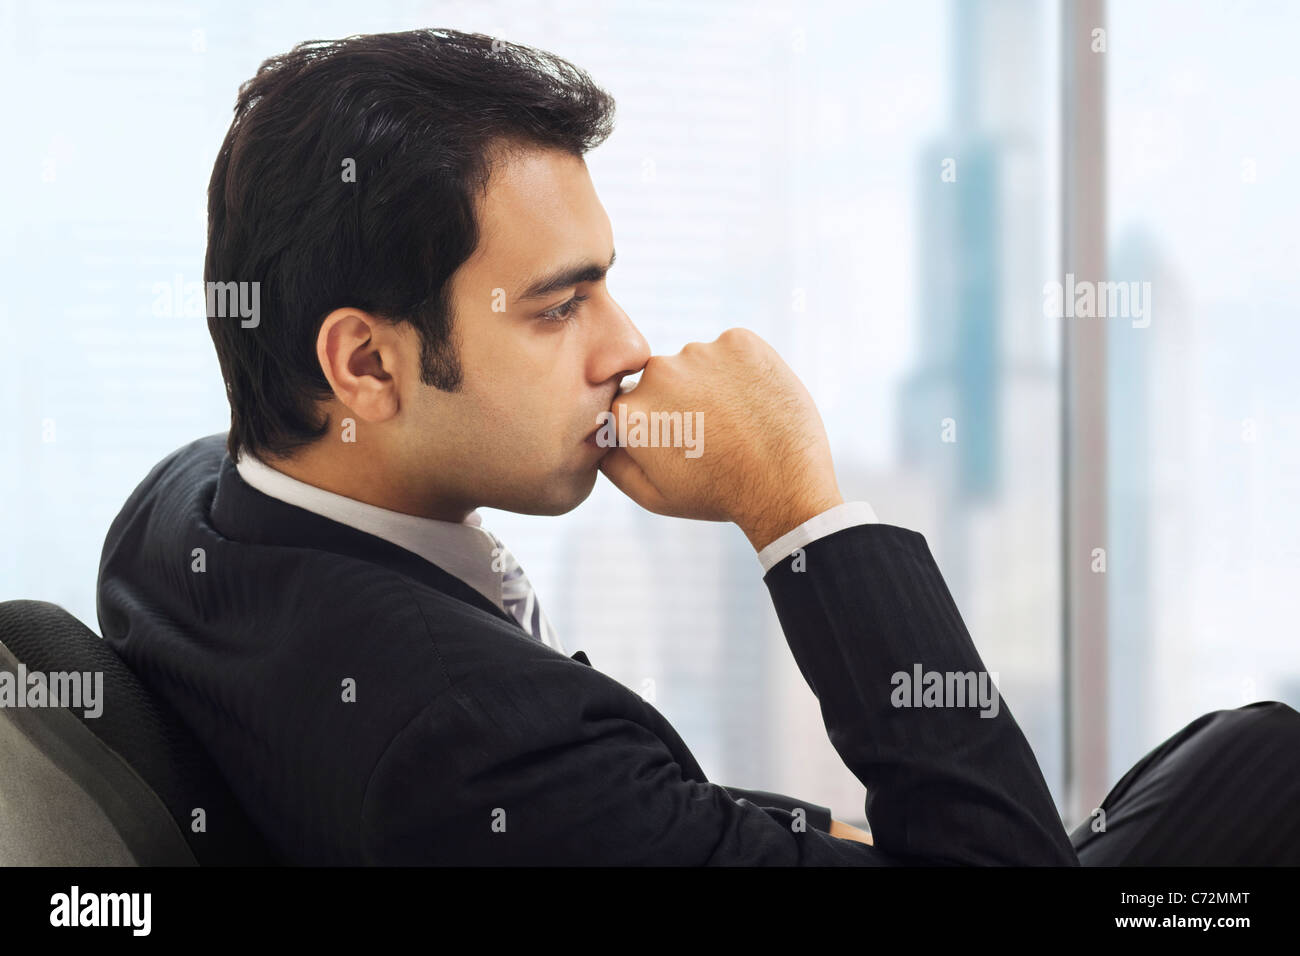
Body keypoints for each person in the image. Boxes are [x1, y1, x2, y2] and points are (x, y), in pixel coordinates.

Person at [97, 28, 1297, 865]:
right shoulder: (470, 744)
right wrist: (795, 503)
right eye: (560, 305)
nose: (625, 345)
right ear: (365, 363)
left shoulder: (186, 511)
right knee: (1267, 767)